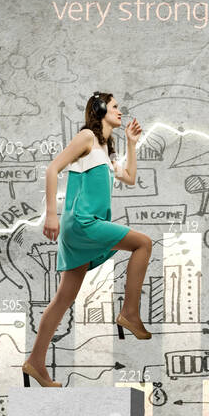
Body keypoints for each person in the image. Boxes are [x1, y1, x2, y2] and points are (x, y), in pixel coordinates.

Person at [21, 91, 154, 387]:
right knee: (143, 243)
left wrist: (132, 144)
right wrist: (51, 214)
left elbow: (130, 177)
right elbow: (53, 168)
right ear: (100, 108)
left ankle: (35, 363)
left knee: (63, 299)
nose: (120, 111)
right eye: (115, 107)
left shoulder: (104, 151)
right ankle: (130, 313)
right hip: (82, 223)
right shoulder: (86, 138)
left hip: (82, 228)